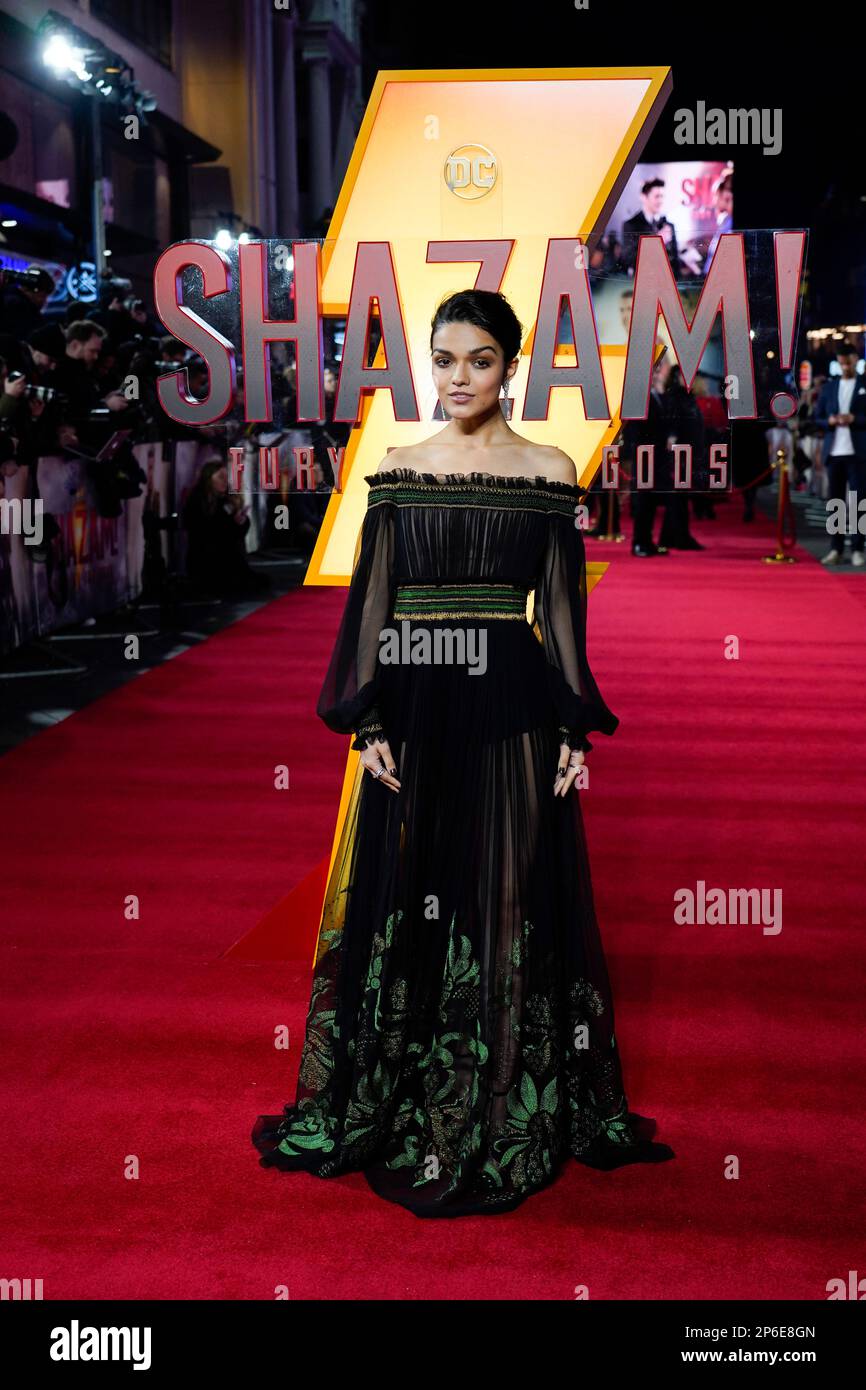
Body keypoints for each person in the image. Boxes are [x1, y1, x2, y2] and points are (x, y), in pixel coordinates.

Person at [252, 288, 674, 1217]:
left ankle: (499, 1102)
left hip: (515, 705)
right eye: (443, 360)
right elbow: (374, 607)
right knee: (411, 889)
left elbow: (562, 613)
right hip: (417, 701)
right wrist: (366, 725)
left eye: (478, 361)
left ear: (510, 366)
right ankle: (404, 1090)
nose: (457, 379)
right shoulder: (401, 468)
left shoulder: (550, 468)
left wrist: (574, 729)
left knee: (508, 893)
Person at [814, 342, 866, 566]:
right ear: (838, 362)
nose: (845, 366)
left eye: (849, 361)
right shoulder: (829, 388)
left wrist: (856, 419)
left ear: (855, 359)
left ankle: (857, 548)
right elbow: (817, 417)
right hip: (834, 451)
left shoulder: (865, 384)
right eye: (842, 362)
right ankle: (835, 548)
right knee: (835, 502)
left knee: (859, 503)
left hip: (859, 452)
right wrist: (831, 421)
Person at [622, 178, 682, 279]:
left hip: (667, 285)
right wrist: (656, 239)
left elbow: (675, 262)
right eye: (657, 196)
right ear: (644, 197)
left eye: (662, 196)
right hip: (643, 284)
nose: (660, 201)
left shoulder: (669, 226)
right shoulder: (631, 225)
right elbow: (629, 260)